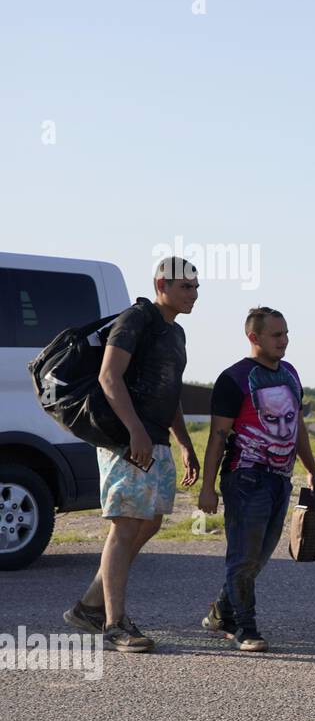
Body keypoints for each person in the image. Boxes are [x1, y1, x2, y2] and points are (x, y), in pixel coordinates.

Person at [63, 257, 201, 653]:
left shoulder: (175, 333)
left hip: (155, 439)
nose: (193, 295)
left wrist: (184, 442)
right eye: (186, 287)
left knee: (151, 521)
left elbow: (168, 391)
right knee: (125, 526)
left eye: (196, 288)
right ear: (162, 283)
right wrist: (135, 430)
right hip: (125, 440)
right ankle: (114, 624)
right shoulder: (136, 319)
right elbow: (109, 376)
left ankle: (90, 605)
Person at [196, 307, 315, 653]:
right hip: (245, 478)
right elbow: (218, 435)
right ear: (254, 337)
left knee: (259, 557)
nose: (284, 340)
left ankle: (221, 611)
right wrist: (208, 487)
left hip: (281, 478)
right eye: (276, 335)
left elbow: (298, 429)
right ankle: (244, 627)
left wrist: (310, 468)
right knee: (244, 557)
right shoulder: (233, 379)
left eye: (286, 333)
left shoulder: (290, 374)